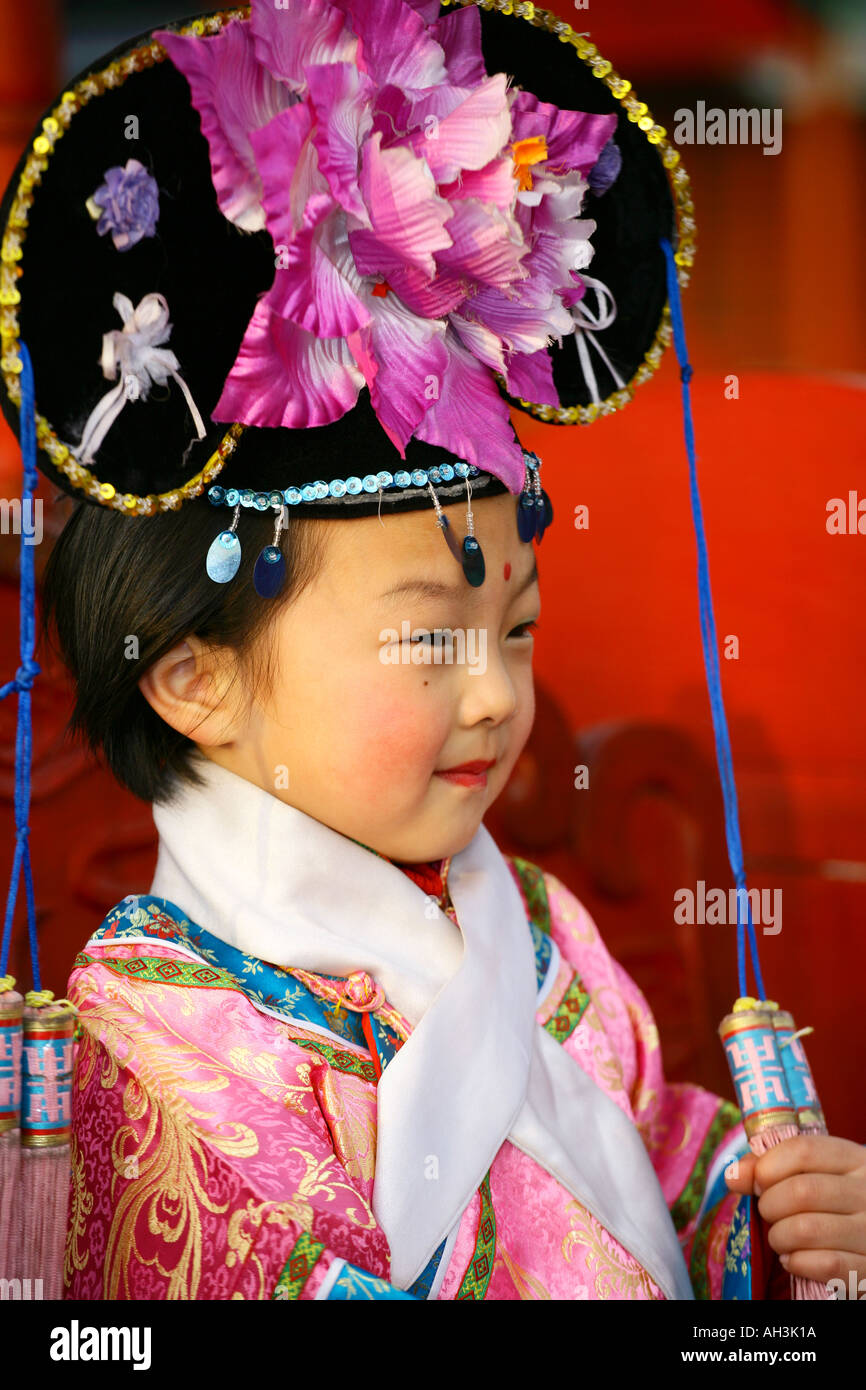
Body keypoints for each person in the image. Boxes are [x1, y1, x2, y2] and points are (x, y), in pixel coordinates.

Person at [2, 0, 864, 1301]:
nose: (496, 694)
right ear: (194, 675)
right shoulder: (150, 1040)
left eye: (513, 628)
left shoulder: (533, 922)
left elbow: (667, 1174)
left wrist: (779, 1220)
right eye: (428, 634)